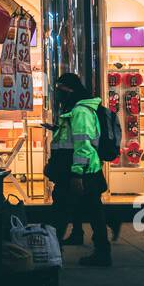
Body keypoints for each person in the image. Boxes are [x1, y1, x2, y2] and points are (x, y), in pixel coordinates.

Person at [48, 73, 111, 266]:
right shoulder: (76, 109)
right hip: (85, 172)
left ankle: (53, 253)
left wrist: (76, 174)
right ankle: (101, 252)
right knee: (93, 211)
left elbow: (83, 144)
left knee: (60, 212)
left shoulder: (81, 111)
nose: (58, 94)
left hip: (79, 173)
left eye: (61, 90)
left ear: (70, 90)